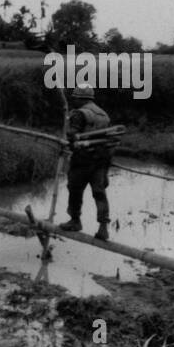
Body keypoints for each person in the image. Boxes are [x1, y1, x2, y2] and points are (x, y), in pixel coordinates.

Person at [60, 85, 113, 240]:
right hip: (101, 160)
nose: (74, 100)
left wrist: (69, 138)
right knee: (100, 193)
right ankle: (103, 227)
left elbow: (72, 135)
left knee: (75, 190)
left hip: (83, 159)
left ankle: (75, 220)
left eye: (75, 98)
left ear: (81, 98)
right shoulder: (104, 115)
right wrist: (106, 171)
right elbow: (110, 142)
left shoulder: (79, 113)